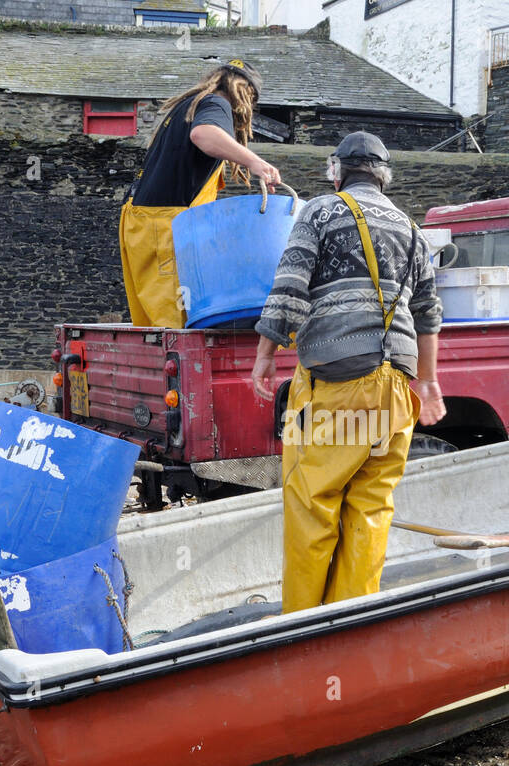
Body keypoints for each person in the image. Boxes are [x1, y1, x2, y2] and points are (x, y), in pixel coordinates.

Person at [250, 131, 446, 613]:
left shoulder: (320, 211)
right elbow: (428, 311)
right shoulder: (410, 228)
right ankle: (351, 625)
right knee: (370, 507)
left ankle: (302, 628)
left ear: (336, 172)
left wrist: (266, 353)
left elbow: (290, 287)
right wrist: (430, 382)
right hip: (397, 389)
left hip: (338, 382)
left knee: (313, 505)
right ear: (385, 177)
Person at [119, 59, 283, 328]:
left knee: (153, 323)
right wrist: (255, 162)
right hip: (166, 225)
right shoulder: (215, 104)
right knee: (177, 324)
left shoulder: (189, 105)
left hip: (141, 223)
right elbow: (203, 135)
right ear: (245, 93)